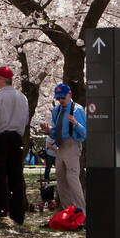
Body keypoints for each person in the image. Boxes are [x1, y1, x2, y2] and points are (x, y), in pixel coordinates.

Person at [0, 65, 30, 223]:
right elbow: (24, 120)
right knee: (16, 176)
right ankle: (18, 214)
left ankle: (0, 210)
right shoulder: (23, 98)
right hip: (16, 139)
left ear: (2, 79)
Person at [43, 83, 86, 213]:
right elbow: (55, 131)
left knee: (72, 178)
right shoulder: (56, 110)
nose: (61, 100)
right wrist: (48, 131)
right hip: (60, 146)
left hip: (73, 145)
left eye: (63, 97)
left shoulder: (77, 110)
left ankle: (81, 212)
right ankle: (68, 211)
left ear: (70, 95)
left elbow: (85, 134)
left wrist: (76, 123)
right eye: (58, 98)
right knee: (60, 179)